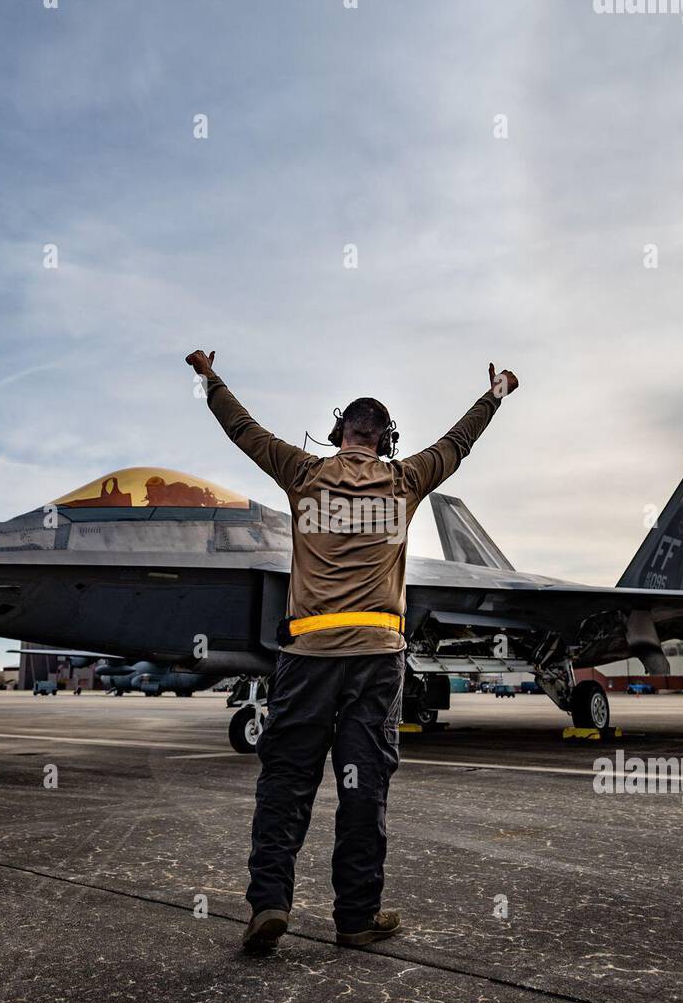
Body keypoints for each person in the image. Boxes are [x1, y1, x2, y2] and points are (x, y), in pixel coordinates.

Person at [184, 349, 519, 951]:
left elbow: (243, 429)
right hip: (376, 656)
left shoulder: (303, 473)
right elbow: (459, 441)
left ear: (340, 433)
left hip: (307, 655)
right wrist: (494, 394)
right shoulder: (406, 479)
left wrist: (210, 379)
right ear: (386, 440)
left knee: (286, 781)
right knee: (363, 786)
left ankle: (269, 905)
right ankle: (357, 919)